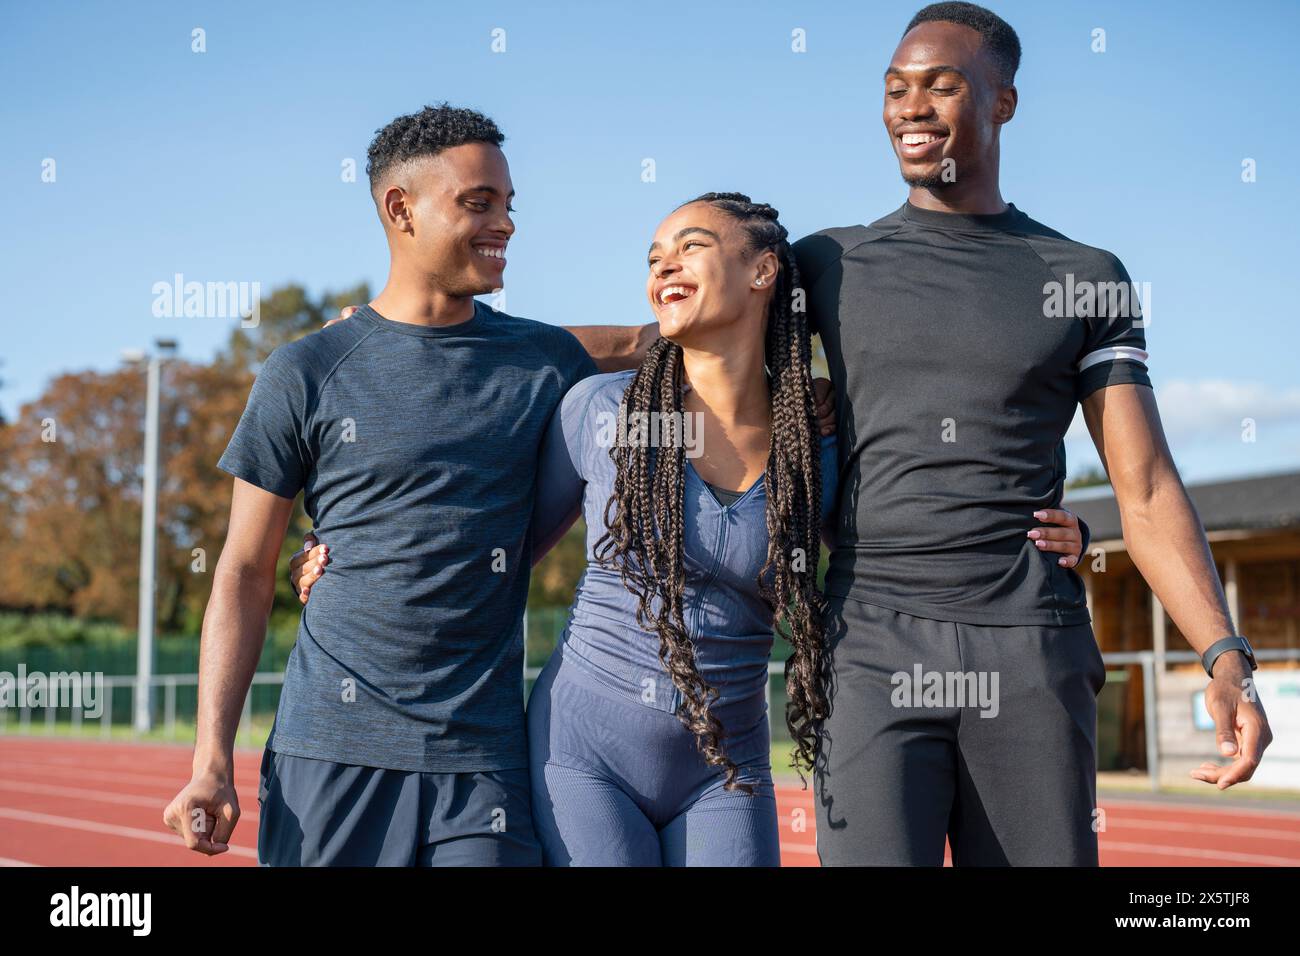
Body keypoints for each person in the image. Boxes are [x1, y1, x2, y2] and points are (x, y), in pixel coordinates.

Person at [291, 193, 1089, 865]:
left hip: (726, 762)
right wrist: (355, 550)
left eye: (691, 247)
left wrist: (1064, 535)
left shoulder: (820, 441)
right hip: (583, 751)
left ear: (763, 270)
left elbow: (902, 540)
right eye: (653, 256)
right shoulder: (599, 414)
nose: (663, 265)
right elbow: (497, 545)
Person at [790, 2, 1273, 865]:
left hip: (1028, 639)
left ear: (1003, 102)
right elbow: (689, 340)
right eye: (895, 88)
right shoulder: (826, 262)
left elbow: (1148, 486)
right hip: (867, 635)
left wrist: (1224, 655)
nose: (911, 106)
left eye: (941, 85)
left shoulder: (1084, 276)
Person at [164, 104, 657, 865]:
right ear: (401, 208)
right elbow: (242, 571)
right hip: (330, 756)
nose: (507, 224)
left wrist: (795, 333)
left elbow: (643, 342)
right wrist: (210, 762)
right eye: (478, 203)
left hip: (482, 766)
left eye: (509, 204)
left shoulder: (539, 357)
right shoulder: (305, 370)